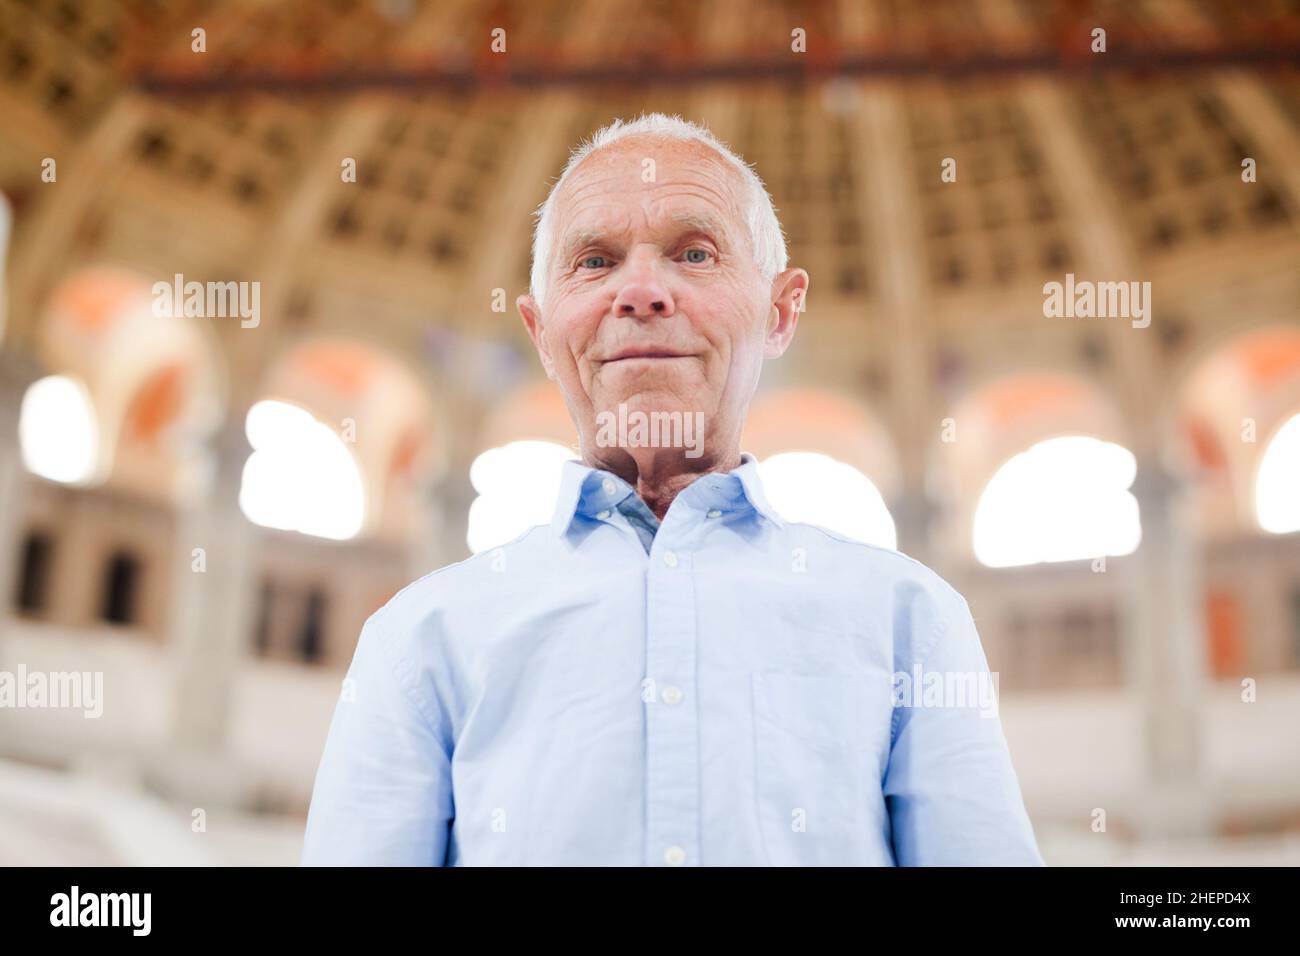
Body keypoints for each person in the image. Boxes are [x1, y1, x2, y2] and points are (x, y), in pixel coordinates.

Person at [302, 113, 1043, 866]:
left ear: (781, 311)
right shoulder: (419, 639)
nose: (642, 292)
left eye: (694, 253)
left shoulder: (911, 622)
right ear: (540, 331)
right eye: (594, 262)